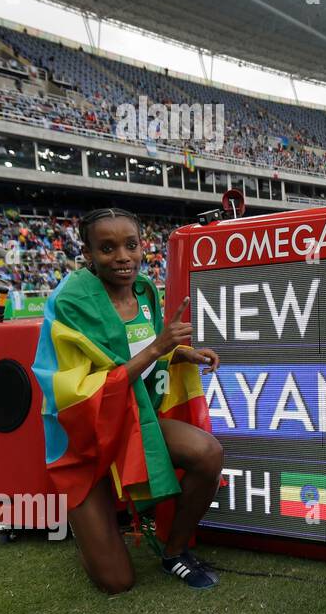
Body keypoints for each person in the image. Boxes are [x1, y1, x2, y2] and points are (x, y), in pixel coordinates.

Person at [32, 207, 224, 591]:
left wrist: (179, 354)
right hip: (84, 438)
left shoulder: (145, 290)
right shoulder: (70, 304)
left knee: (208, 454)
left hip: (133, 420)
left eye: (131, 245)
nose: (122, 257)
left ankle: (174, 553)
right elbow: (77, 391)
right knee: (116, 582)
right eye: (107, 248)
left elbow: (138, 355)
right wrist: (157, 349)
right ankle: (90, 524)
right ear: (87, 253)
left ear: (142, 247)